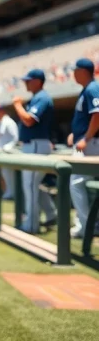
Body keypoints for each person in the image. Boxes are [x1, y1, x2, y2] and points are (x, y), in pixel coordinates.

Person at [12, 69, 57, 234]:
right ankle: (51, 213)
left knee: (30, 185)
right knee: (34, 185)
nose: (25, 82)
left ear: (38, 81)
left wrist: (17, 105)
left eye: (28, 80)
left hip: (36, 145)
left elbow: (29, 120)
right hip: (33, 145)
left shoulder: (42, 97)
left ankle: (31, 225)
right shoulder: (37, 97)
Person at [67, 58, 99, 239]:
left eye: (75, 70)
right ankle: (87, 223)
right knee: (79, 183)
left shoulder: (93, 88)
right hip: (89, 141)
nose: (73, 73)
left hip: (92, 142)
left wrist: (85, 138)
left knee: (76, 182)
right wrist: (76, 134)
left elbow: (97, 114)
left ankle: (86, 225)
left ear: (83, 71)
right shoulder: (87, 89)